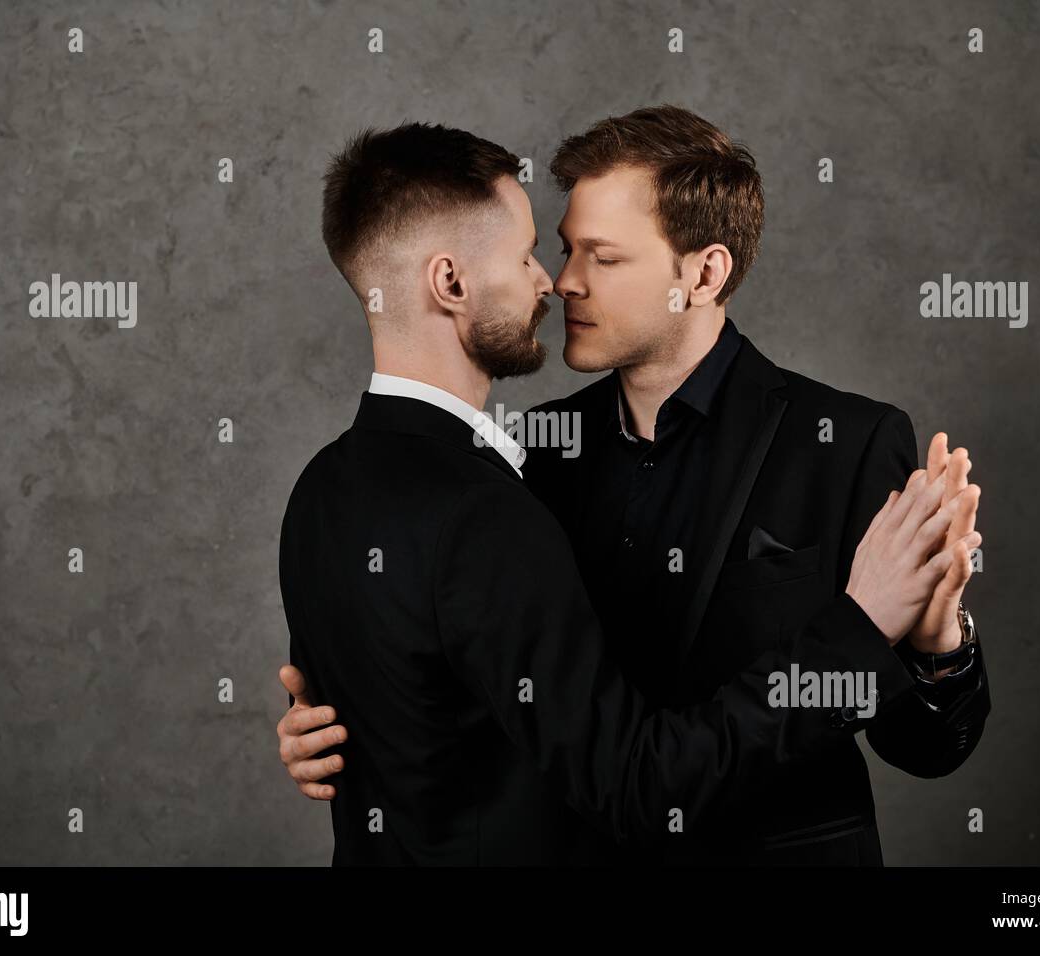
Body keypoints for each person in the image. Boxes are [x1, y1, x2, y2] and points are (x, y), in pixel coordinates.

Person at [277, 118, 983, 866]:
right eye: (564, 247)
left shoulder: (846, 442)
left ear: (705, 275)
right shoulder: (528, 455)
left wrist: (939, 648)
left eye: (603, 257)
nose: (566, 279)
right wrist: (346, 721)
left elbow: (928, 747)